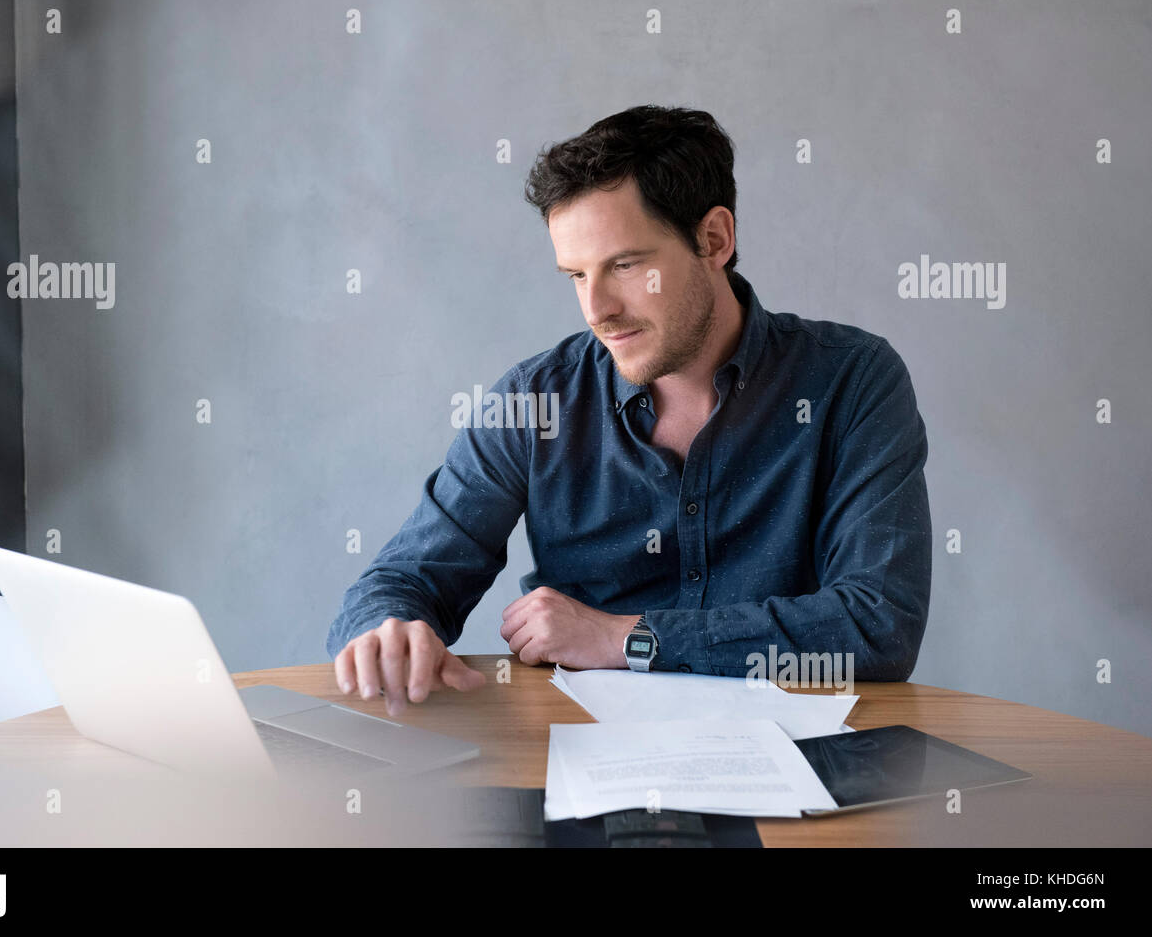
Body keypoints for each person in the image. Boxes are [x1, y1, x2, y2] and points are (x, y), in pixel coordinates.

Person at [326, 105, 932, 716]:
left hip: (795, 761)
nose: (596, 310)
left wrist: (626, 638)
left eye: (624, 266)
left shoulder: (852, 380)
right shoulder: (534, 401)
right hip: (577, 758)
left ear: (714, 239)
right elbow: (402, 580)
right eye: (575, 275)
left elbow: (879, 626)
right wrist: (387, 630)